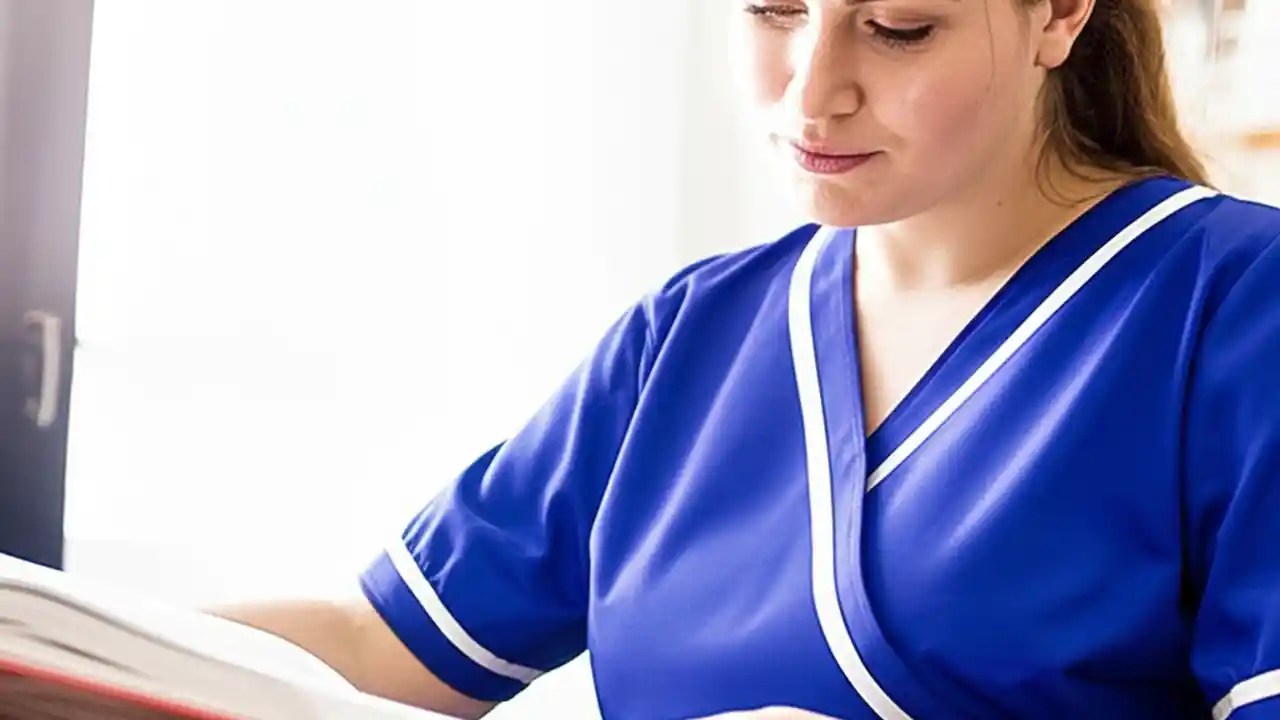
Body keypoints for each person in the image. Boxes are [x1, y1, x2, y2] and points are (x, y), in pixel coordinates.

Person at [216, 0, 1280, 718]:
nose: (811, 92)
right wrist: (64, 636)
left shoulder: (1234, 307)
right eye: (772, 7)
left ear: (1057, 14)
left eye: (895, 27)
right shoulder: (692, 332)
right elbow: (380, 642)